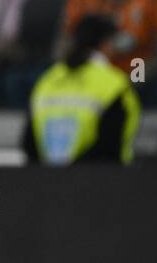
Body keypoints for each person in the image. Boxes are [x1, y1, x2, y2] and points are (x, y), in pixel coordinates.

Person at [22, 14, 141, 165]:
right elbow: (111, 147)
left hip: (48, 181)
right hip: (101, 182)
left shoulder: (47, 80)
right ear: (106, 44)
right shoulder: (113, 84)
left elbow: (30, 145)